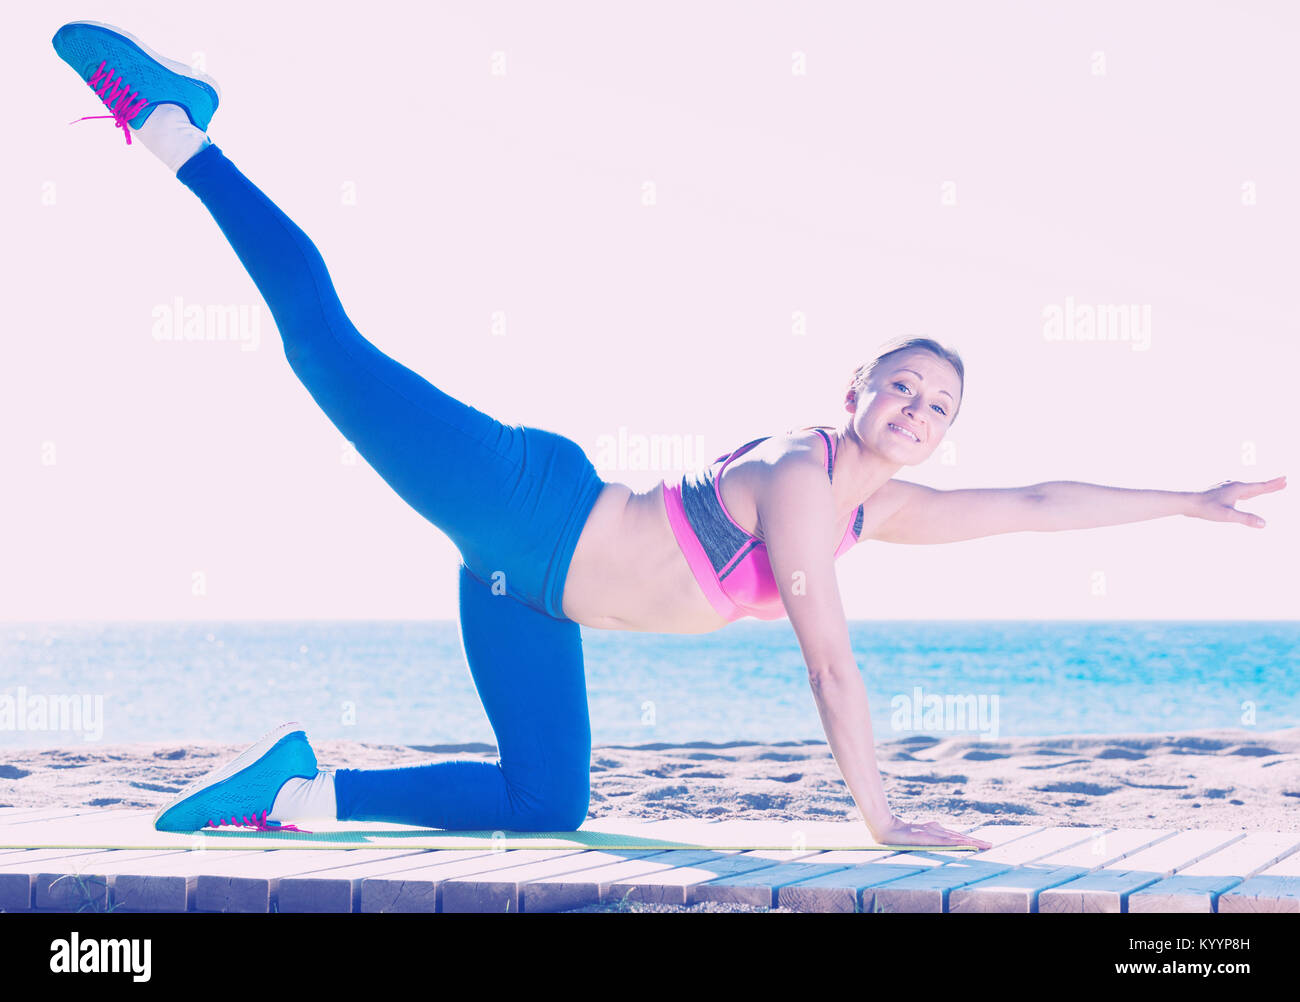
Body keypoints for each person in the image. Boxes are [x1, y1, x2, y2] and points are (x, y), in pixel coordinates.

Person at [53, 21, 1284, 852]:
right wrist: (882, 818)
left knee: (547, 806)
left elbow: (1031, 505)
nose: (917, 411)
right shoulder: (805, 480)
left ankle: (301, 789)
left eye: (938, 408)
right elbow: (830, 665)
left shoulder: (882, 506)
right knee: (326, 349)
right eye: (902, 385)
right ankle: (180, 130)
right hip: (525, 506)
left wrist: (1183, 501)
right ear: (856, 386)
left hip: (524, 593)